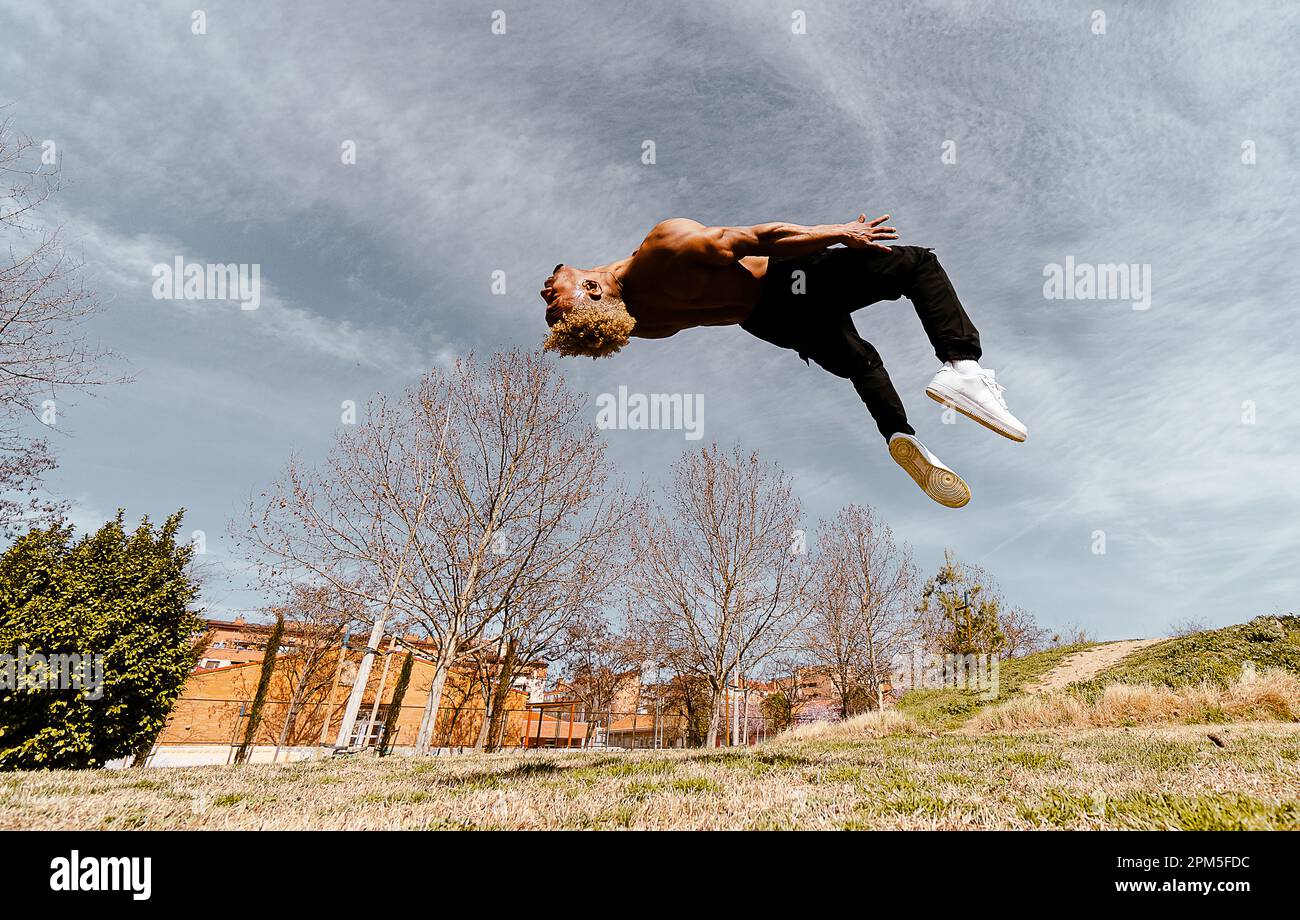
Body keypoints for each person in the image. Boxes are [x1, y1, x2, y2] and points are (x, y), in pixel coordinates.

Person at [540, 215, 1025, 507]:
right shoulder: (662, 250)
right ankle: (963, 368)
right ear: (592, 289)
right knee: (918, 265)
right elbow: (757, 238)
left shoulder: (639, 322)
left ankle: (901, 436)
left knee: (863, 363)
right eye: (555, 304)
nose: (546, 296)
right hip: (787, 281)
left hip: (769, 321)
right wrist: (839, 233)